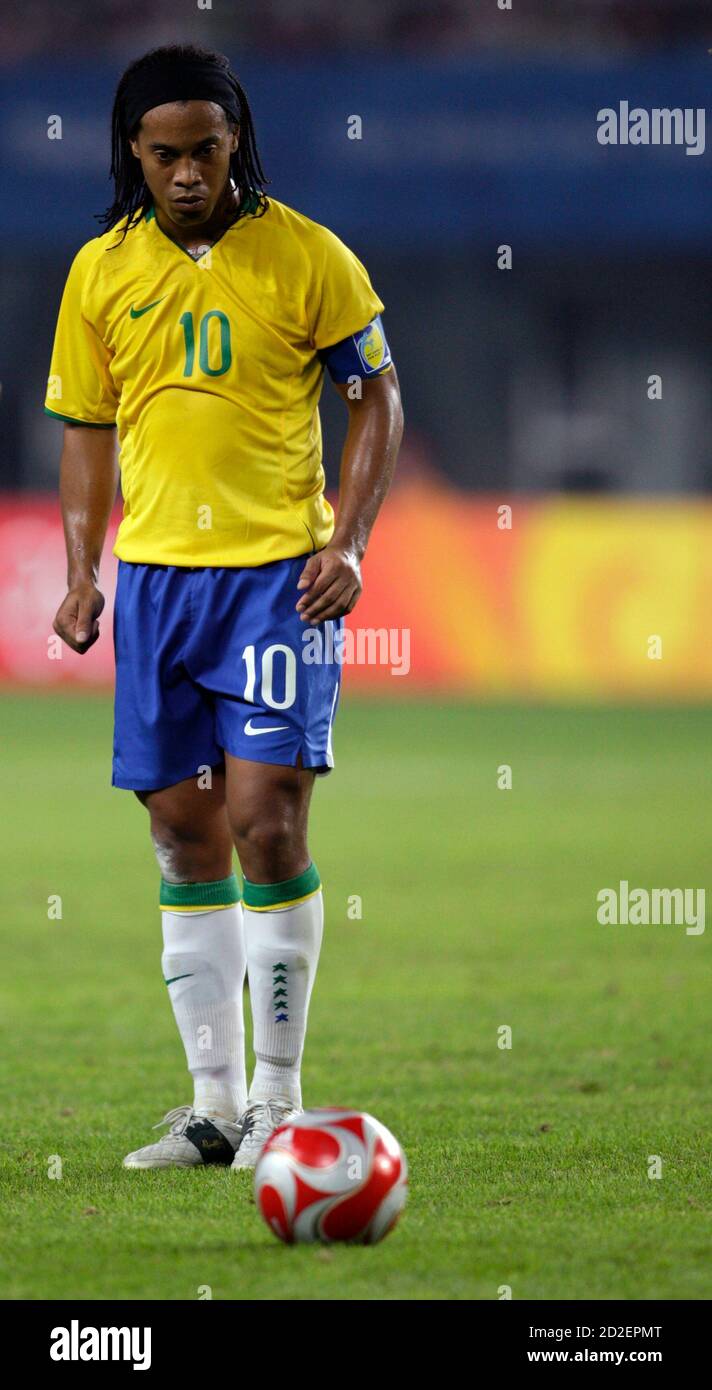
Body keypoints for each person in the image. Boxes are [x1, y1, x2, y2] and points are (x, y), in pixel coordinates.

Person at [45, 43, 403, 1170]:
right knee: (180, 833)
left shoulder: (308, 256)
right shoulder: (100, 271)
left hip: (275, 581)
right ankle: (209, 1108)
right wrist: (81, 569)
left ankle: (280, 1102)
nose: (189, 172)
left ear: (234, 140)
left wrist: (347, 540)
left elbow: (376, 397)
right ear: (135, 156)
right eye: (166, 155)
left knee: (266, 820)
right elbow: (87, 433)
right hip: (154, 587)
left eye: (206, 149)